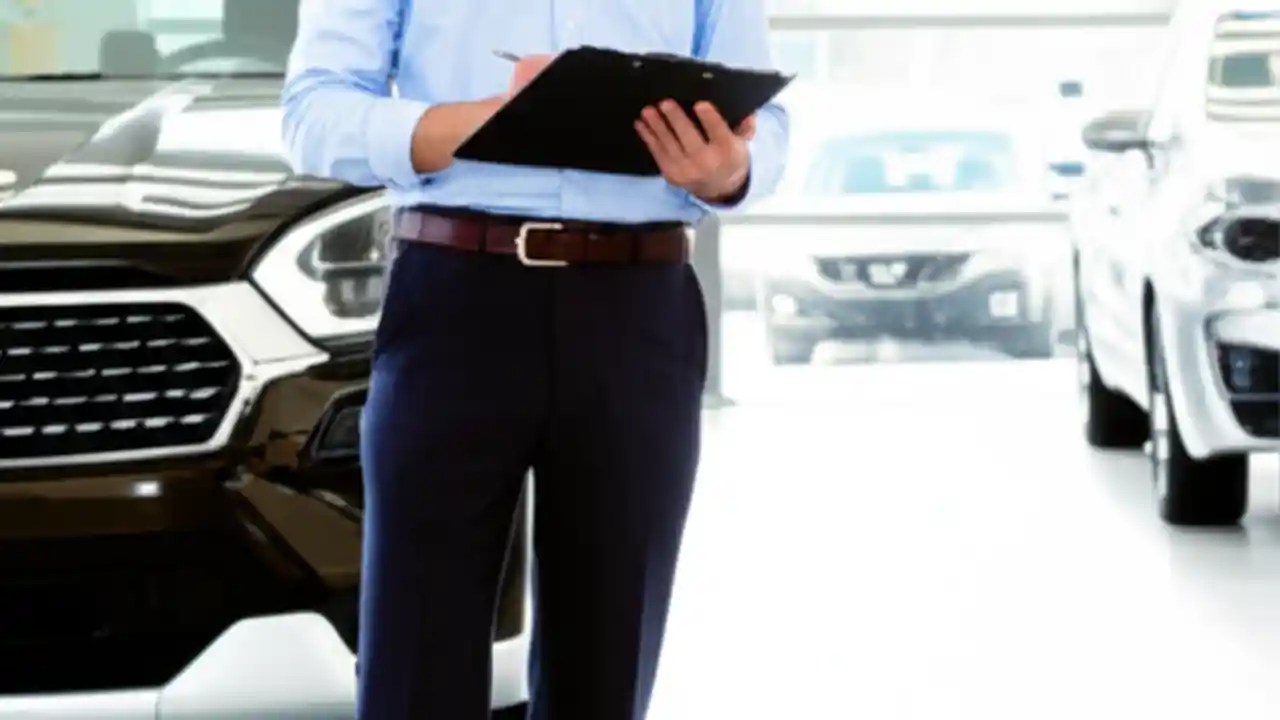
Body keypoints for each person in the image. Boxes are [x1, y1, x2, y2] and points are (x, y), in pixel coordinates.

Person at [281, 1, 789, 717]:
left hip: (639, 311)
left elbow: (764, 127)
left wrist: (730, 167)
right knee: (415, 660)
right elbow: (313, 114)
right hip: (455, 298)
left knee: (608, 666)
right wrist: (494, 122)